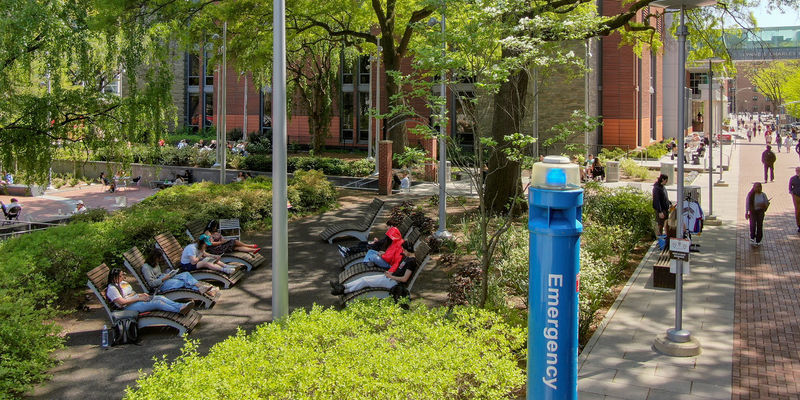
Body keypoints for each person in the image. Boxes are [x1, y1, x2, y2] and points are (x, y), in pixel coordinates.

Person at [330, 241, 417, 296]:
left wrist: (391, 277)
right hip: (389, 277)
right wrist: (390, 273)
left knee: (365, 282)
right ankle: (343, 286)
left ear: (407, 250)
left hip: (393, 282)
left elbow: (405, 279)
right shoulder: (407, 258)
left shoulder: (411, 262)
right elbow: (399, 270)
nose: (403, 252)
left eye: (404, 250)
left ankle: (345, 291)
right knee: (364, 278)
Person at [105, 268, 194, 315]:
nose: (123, 277)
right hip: (128, 307)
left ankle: (182, 306)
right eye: (121, 276)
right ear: (114, 277)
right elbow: (122, 302)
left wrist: (141, 295)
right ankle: (178, 310)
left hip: (136, 300)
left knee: (160, 297)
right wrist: (139, 299)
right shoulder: (112, 289)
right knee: (157, 303)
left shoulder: (123, 283)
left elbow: (130, 293)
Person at [143, 250, 219, 297]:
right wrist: (163, 279)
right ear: (154, 257)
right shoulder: (146, 268)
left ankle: (202, 288)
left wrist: (169, 275)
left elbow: (160, 274)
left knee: (185, 274)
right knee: (182, 282)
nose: (160, 260)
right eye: (159, 258)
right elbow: (151, 283)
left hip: (165, 278)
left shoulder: (155, 263)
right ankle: (207, 290)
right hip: (160, 286)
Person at [790, 167, 800, 233]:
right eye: (796, 170)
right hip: (796, 196)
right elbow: (790, 188)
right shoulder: (793, 178)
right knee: (798, 211)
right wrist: (792, 194)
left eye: (799, 170)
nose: (798, 172)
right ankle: (799, 225)